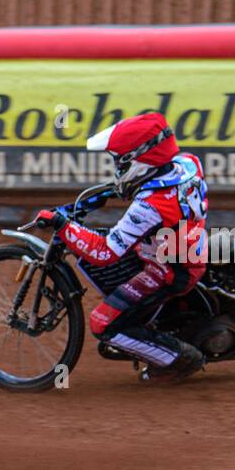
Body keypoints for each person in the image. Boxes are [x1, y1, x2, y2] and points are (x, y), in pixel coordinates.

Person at [34, 112, 208, 382]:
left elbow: (105, 252)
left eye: (119, 161)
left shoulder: (150, 206)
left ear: (137, 160)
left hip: (169, 270)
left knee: (102, 323)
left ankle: (178, 359)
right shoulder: (186, 164)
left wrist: (62, 225)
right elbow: (143, 183)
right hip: (184, 246)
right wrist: (100, 196)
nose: (116, 168)